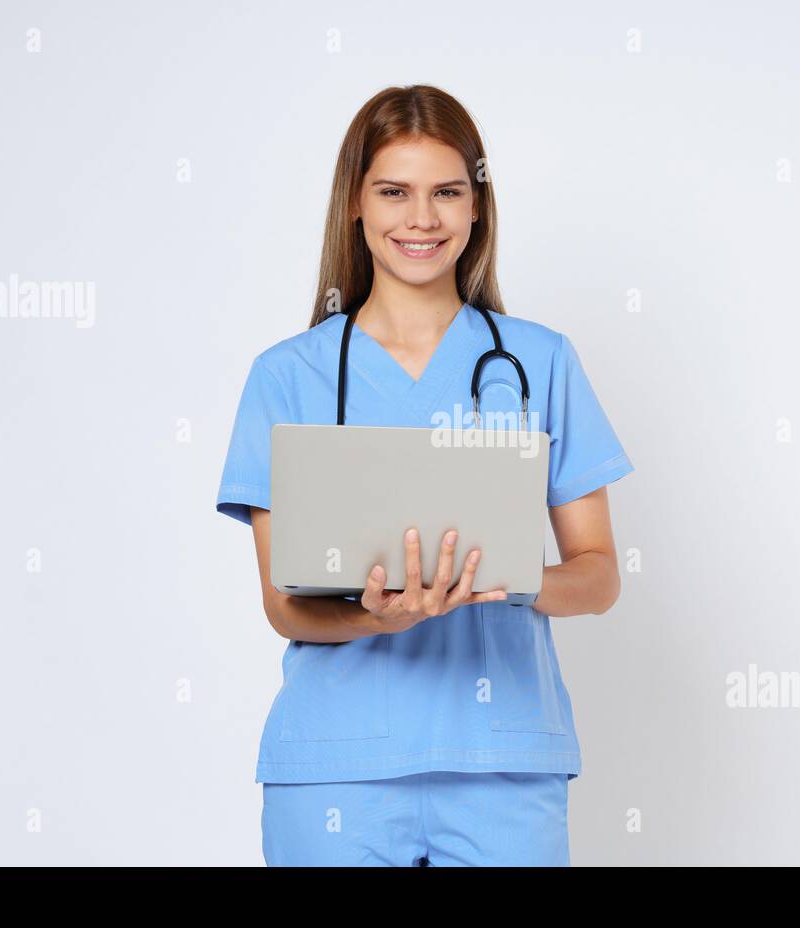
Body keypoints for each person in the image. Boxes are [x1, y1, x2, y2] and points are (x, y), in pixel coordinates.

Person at [216, 84, 633, 866]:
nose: (422, 218)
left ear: (477, 207)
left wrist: (506, 579)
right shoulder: (288, 376)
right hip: (337, 769)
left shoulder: (540, 362)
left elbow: (600, 575)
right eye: (393, 192)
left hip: (503, 767)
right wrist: (379, 619)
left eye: (447, 192)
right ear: (355, 205)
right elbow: (284, 604)